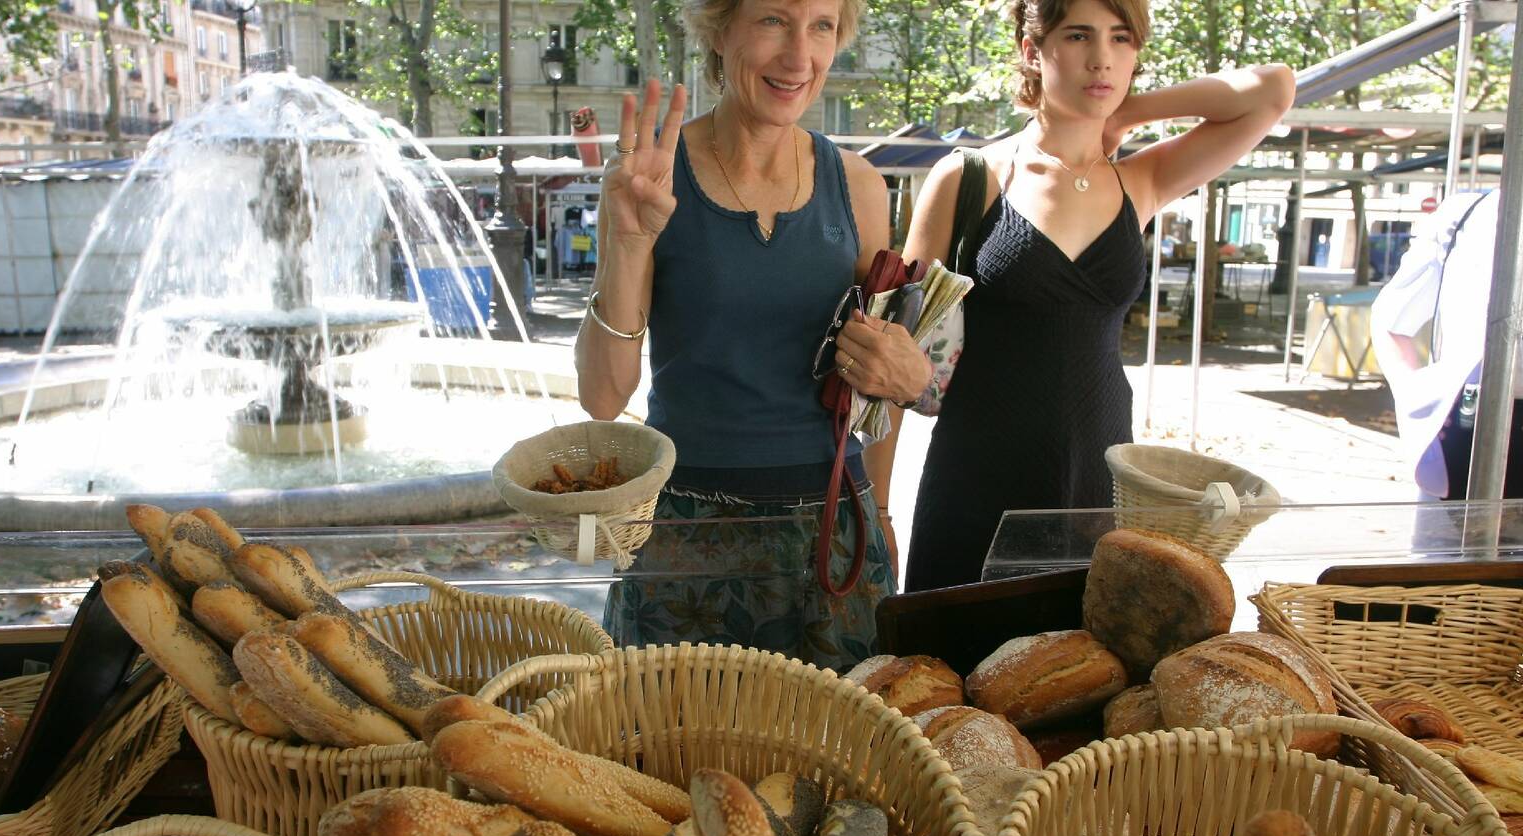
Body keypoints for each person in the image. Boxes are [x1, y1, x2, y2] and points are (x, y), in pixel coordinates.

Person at [873, 0, 1294, 592]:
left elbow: (1273, 90)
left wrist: (1128, 110)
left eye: (1121, 39)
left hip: (1101, 478)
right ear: (1032, 50)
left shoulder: (1141, 181)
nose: (1102, 59)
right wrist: (879, 511)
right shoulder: (968, 178)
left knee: (1089, 646)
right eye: (1078, 36)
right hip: (977, 478)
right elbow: (891, 356)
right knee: (960, 645)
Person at [574, 0, 932, 668]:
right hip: (685, 535)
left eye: (821, 26)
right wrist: (628, 243)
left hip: (835, 533)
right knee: (677, 733)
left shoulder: (858, 185)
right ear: (719, 28)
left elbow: (876, 389)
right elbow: (602, 396)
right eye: (773, 20)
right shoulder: (653, 176)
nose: (799, 56)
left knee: (837, 734)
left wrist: (887, 491)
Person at [1371, 190, 1523, 501]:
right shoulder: (1469, 213)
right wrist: (1416, 398)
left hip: (1476, 420)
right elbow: (1391, 321)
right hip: (1475, 422)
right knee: (1467, 528)